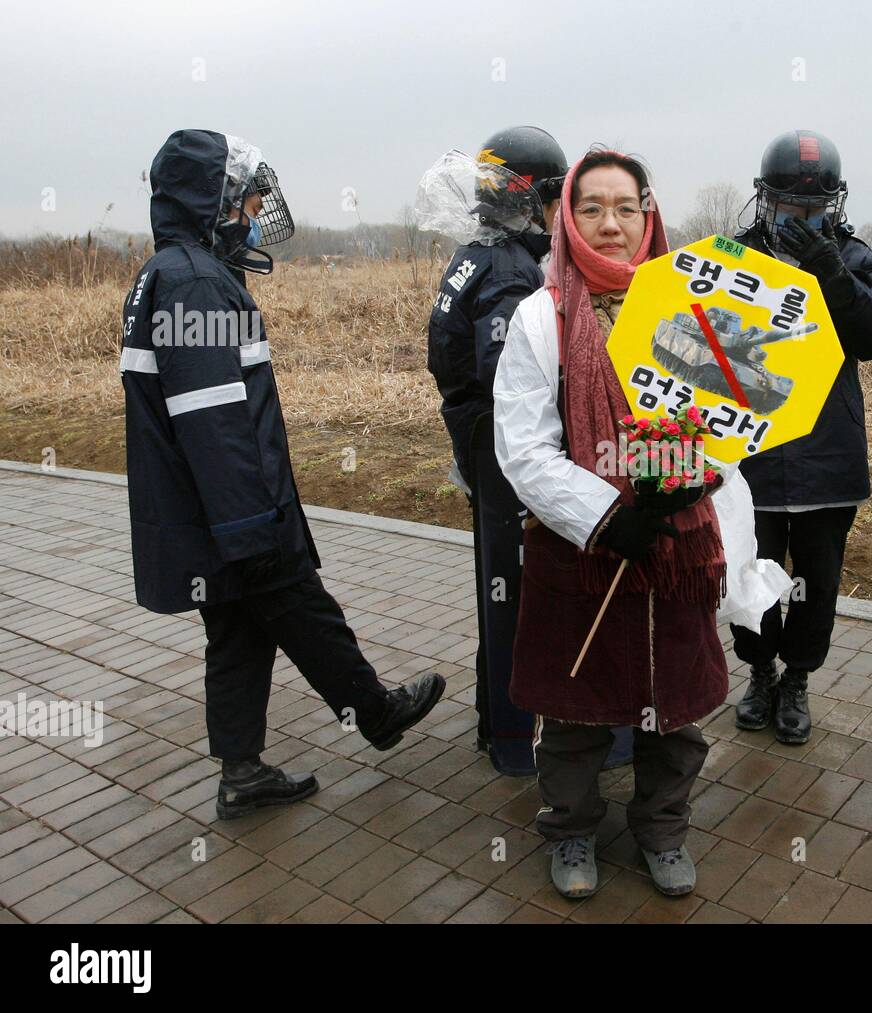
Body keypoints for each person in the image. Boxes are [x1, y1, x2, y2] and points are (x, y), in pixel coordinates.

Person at [120, 129, 444, 820]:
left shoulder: (172, 271)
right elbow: (211, 418)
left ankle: (242, 771)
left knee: (238, 631)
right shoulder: (197, 284)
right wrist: (250, 525)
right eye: (249, 202)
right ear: (216, 201)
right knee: (302, 605)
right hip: (232, 510)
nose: (254, 216)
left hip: (204, 510)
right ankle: (376, 711)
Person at [492, 148, 732, 899]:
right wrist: (605, 515)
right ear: (567, 217)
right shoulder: (542, 316)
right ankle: (570, 829)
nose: (610, 223)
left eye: (626, 207)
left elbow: (726, 418)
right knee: (574, 705)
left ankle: (663, 826)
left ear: (648, 215)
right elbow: (523, 448)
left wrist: (692, 475)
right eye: (591, 206)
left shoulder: (690, 306)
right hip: (581, 548)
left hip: (675, 543)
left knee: (676, 704)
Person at [427, 126, 638, 778]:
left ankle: (501, 728)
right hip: (509, 462)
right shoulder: (510, 271)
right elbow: (510, 370)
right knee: (522, 602)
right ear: (540, 199)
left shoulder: (474, 253)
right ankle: (521, 744)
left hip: (483, 450)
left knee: (500, 598)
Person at [729, 129, 872, 745]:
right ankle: (758, 671)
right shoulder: (733, 257)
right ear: (763, 198)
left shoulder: (853, 258)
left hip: (828, 457)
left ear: (834, 204)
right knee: (750, 578)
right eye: (787, 205)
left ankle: (797, 679)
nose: (799, 218)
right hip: (749, 457)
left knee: (816, 582)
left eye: (813, 208)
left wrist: (829, 266)